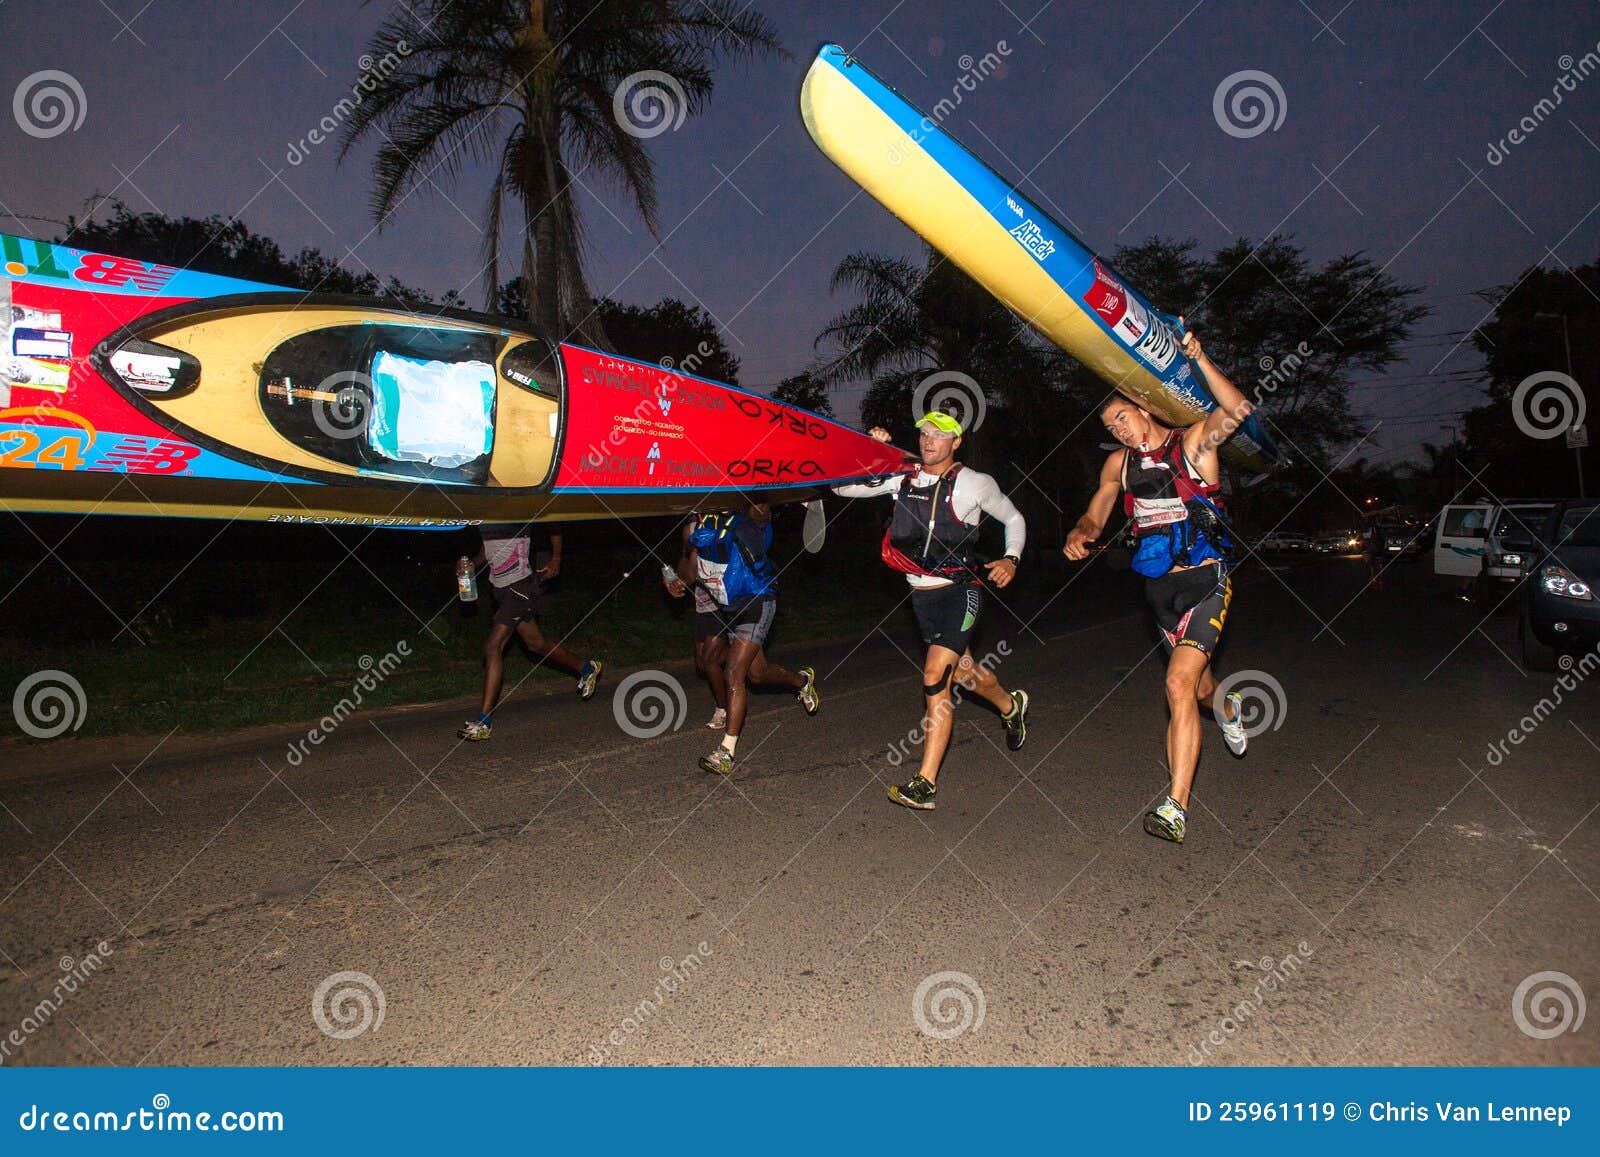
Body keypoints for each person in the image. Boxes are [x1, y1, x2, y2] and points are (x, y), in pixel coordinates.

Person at [1062, 322, 1250, 844]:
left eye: (1123, 416)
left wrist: (1201, 360)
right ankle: (1230, 711)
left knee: (1175, 685)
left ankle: (1175, 806)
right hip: (1158, 594)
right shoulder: (1118, 464)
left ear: (1144, 409)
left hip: (1206, 581)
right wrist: (1083, 532)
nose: (1119, 428)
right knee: (1201, 686)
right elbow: (1098, 510)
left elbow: (1236, 412)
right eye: (1110, 423)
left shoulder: (1191, 445)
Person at [834, 412, 1029, 811]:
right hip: (920, 598)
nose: (929, 440)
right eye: (924, 433)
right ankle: (1011, 706)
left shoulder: (975, 483)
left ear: (956, 442)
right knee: (966, 673)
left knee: (935, 676)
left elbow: (1013, 517)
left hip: (961, 592)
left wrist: (1011, 558)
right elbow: (840, 488)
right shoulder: (900, 477)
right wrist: (868, 450)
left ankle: (925, 783)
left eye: (940, 435)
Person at [682, 504, 820, 775]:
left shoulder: (749, 515)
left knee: (734, 673)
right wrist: (678, 581)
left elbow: (761, 500)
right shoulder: (695, 524)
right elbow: (689, 569)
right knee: (758, 675)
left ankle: (726, 753)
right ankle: (802, 681)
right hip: (728, 609)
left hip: (758, 601)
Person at [457, 524, 602, 740]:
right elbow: (486, 552)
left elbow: (554, 524)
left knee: (492, 646)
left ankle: (483, 722)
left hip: (520, 587)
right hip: (499, 590)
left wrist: (556, 558)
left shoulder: (517, 509)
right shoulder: (486, 516)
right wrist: (470, 564)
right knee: (536, 644)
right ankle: (586, 667)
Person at [663, 513, 730, 730]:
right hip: (704, 601)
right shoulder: (690, 528)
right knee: (703, 664)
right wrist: (675, 581)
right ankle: (743, 655)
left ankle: (723, 710)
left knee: (710, 660)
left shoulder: (732, 520)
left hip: (729, 599)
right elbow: (687, 566)